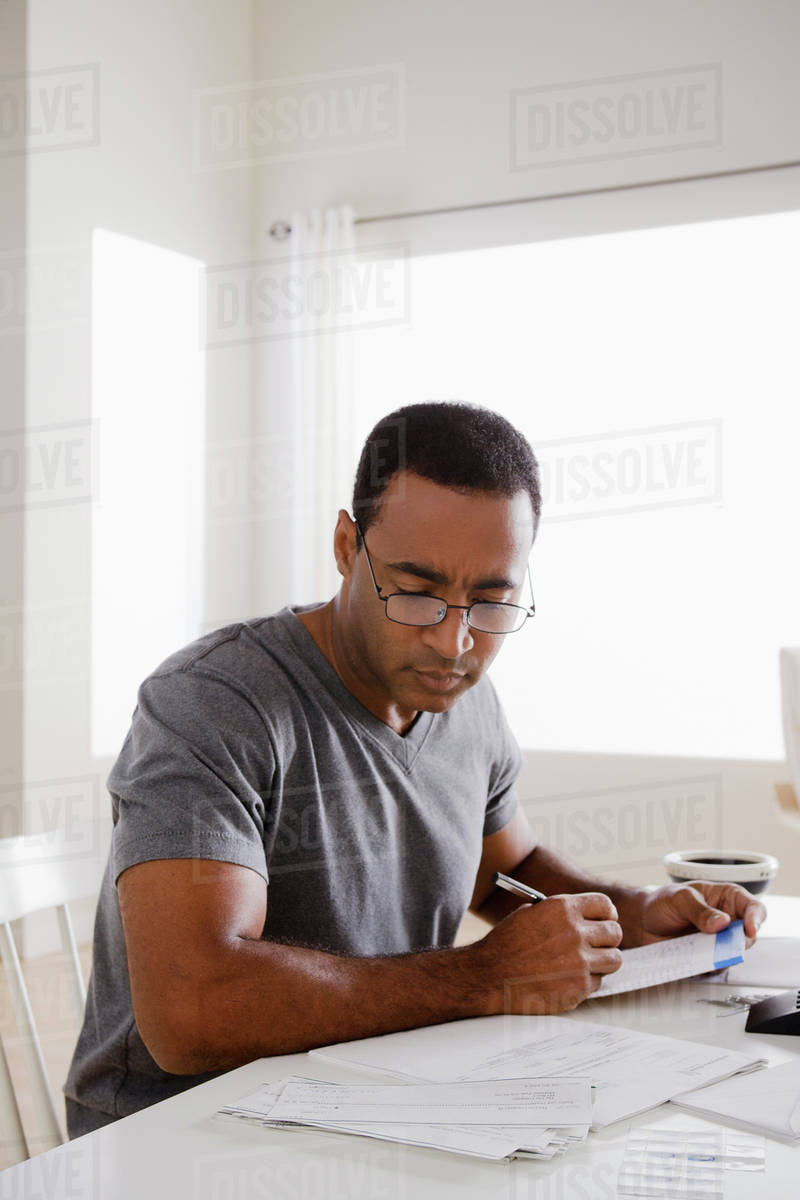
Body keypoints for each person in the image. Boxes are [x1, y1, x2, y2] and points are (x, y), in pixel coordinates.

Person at [65, 401, 765, 1137]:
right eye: (419, 592)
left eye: (491, 601)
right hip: (181, 1142)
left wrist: (635, 910)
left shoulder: (466, 700)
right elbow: (191, 1012)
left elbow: (507, 867)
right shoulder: (215, 703)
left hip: (380, 1108)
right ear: (345, 545)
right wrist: (484, 977)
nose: (454, 641)